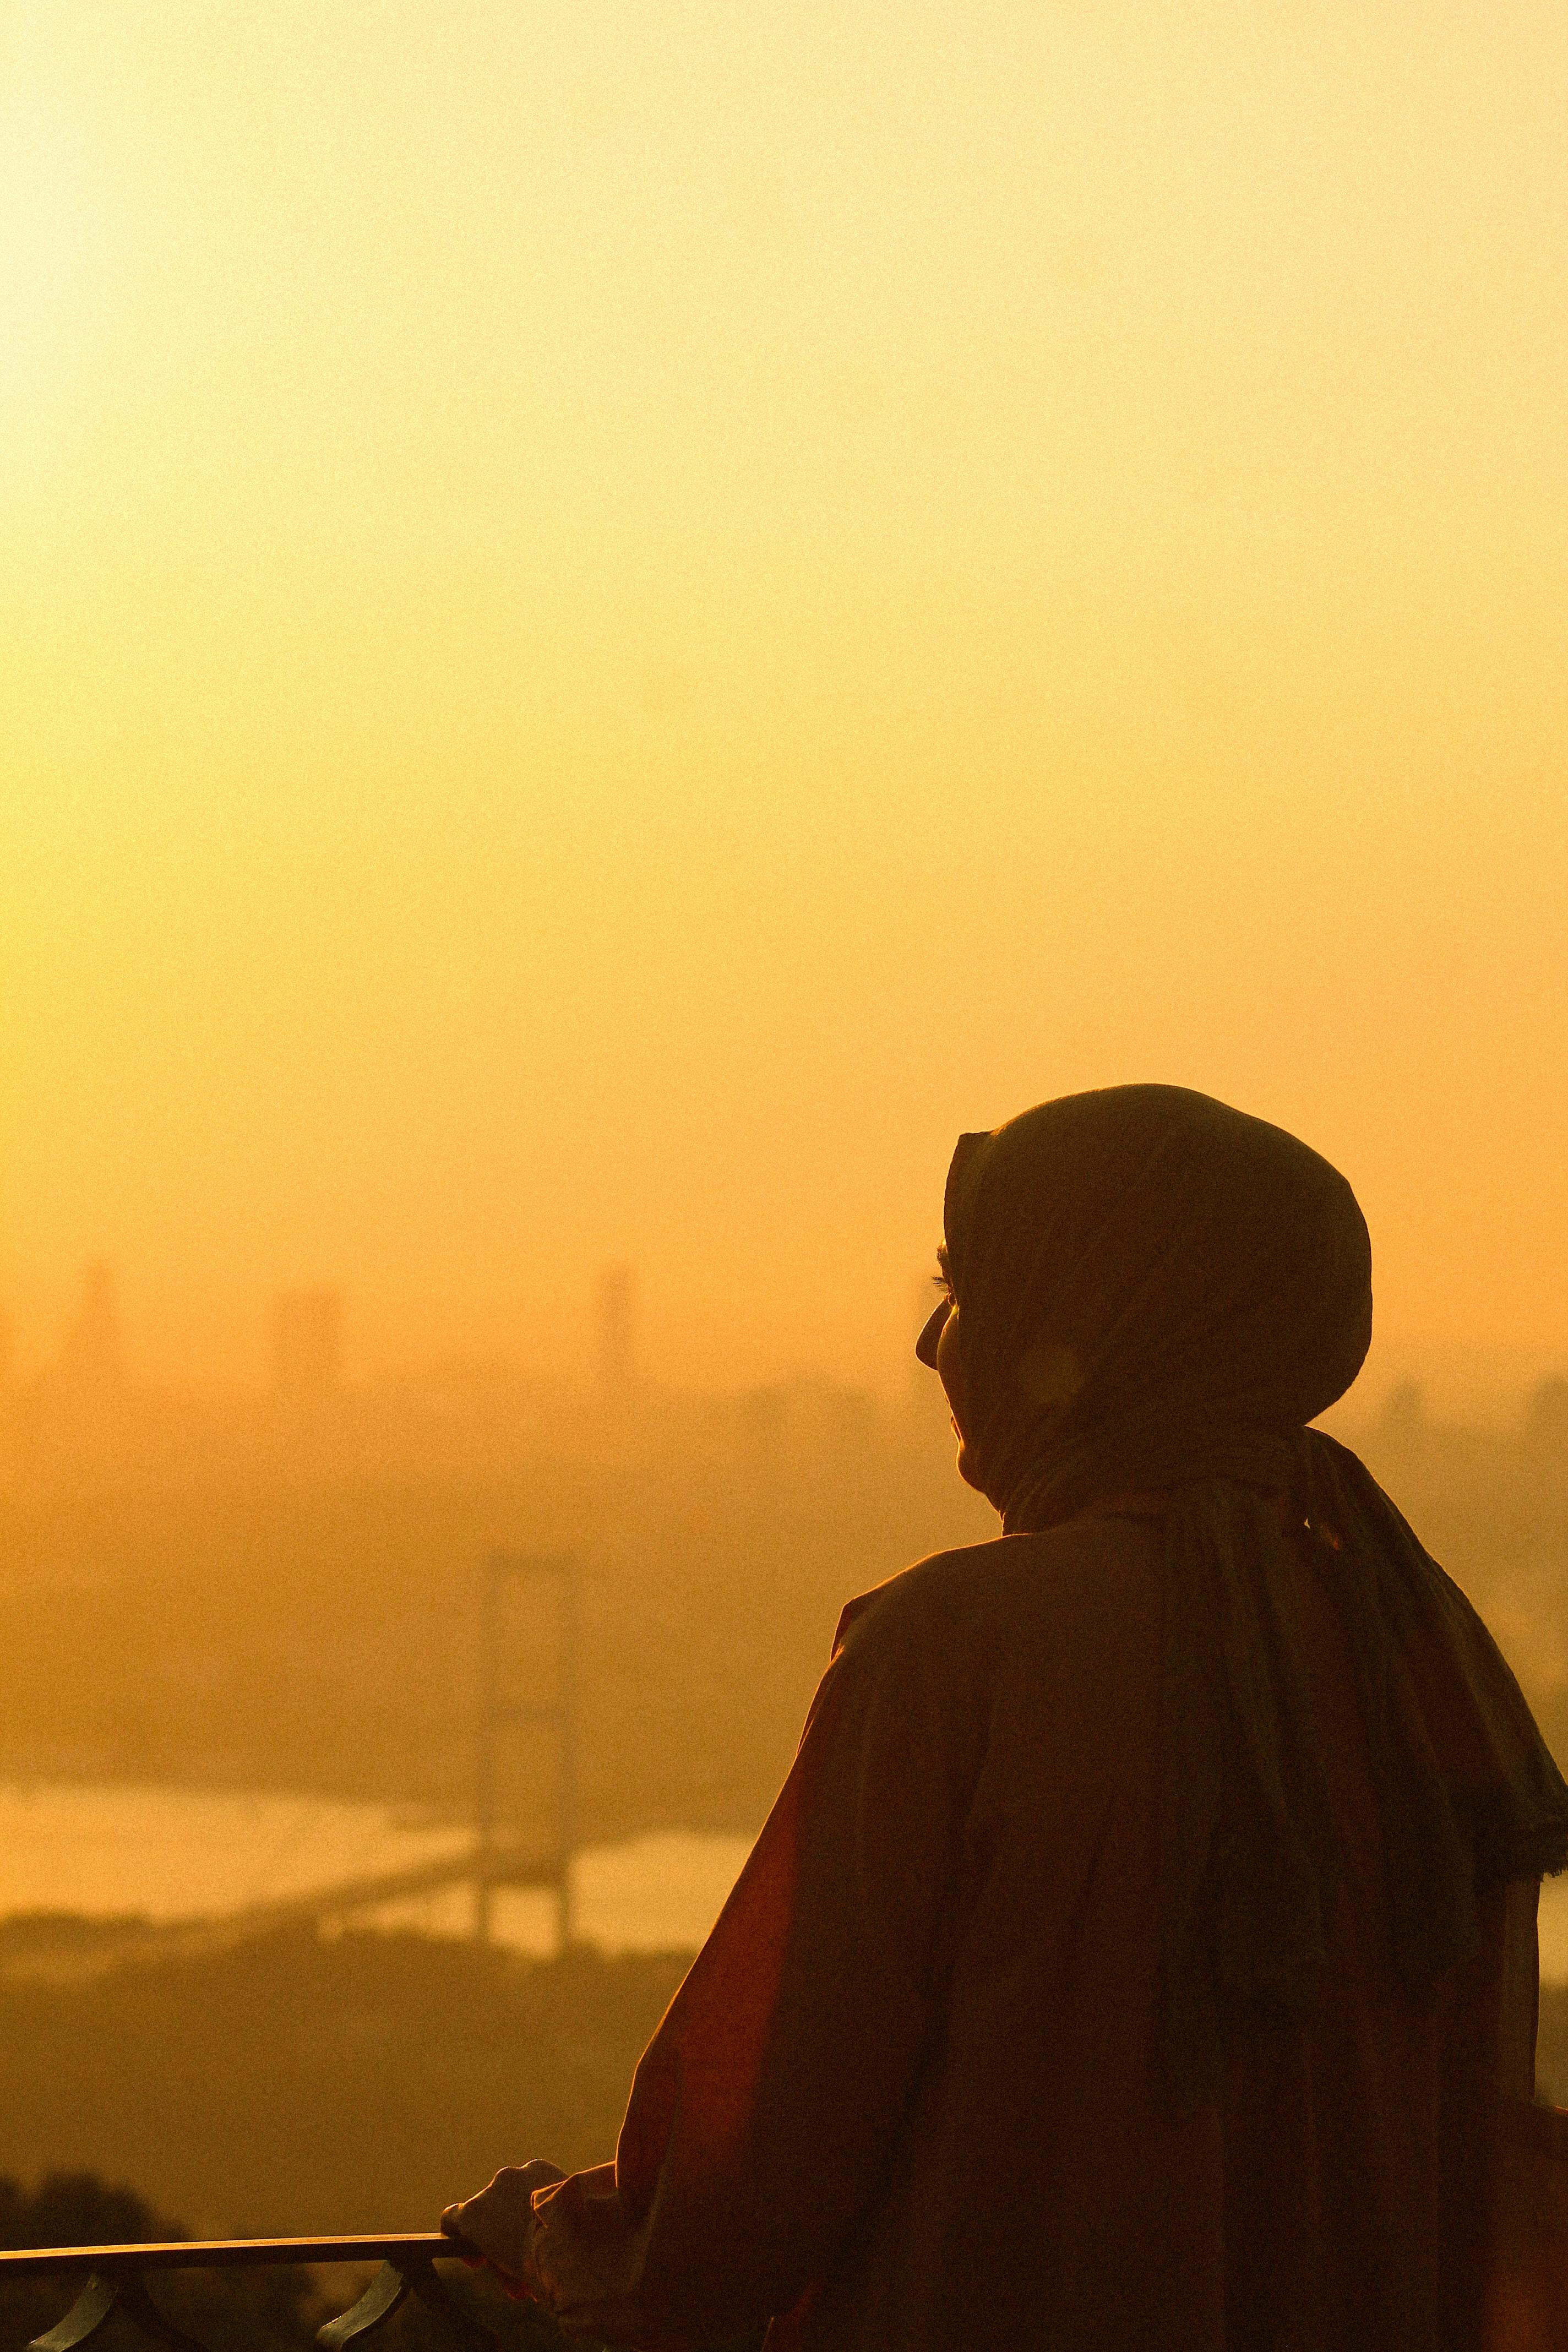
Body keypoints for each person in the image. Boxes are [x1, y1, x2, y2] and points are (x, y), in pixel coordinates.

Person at [442, 1085, 1568, 2350]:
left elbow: (763, 2155)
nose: (934, 1348)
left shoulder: (959, 1649)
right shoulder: (1416, 1655)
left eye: (967, 1291)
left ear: (1083, 1325)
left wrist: (578, 2240)